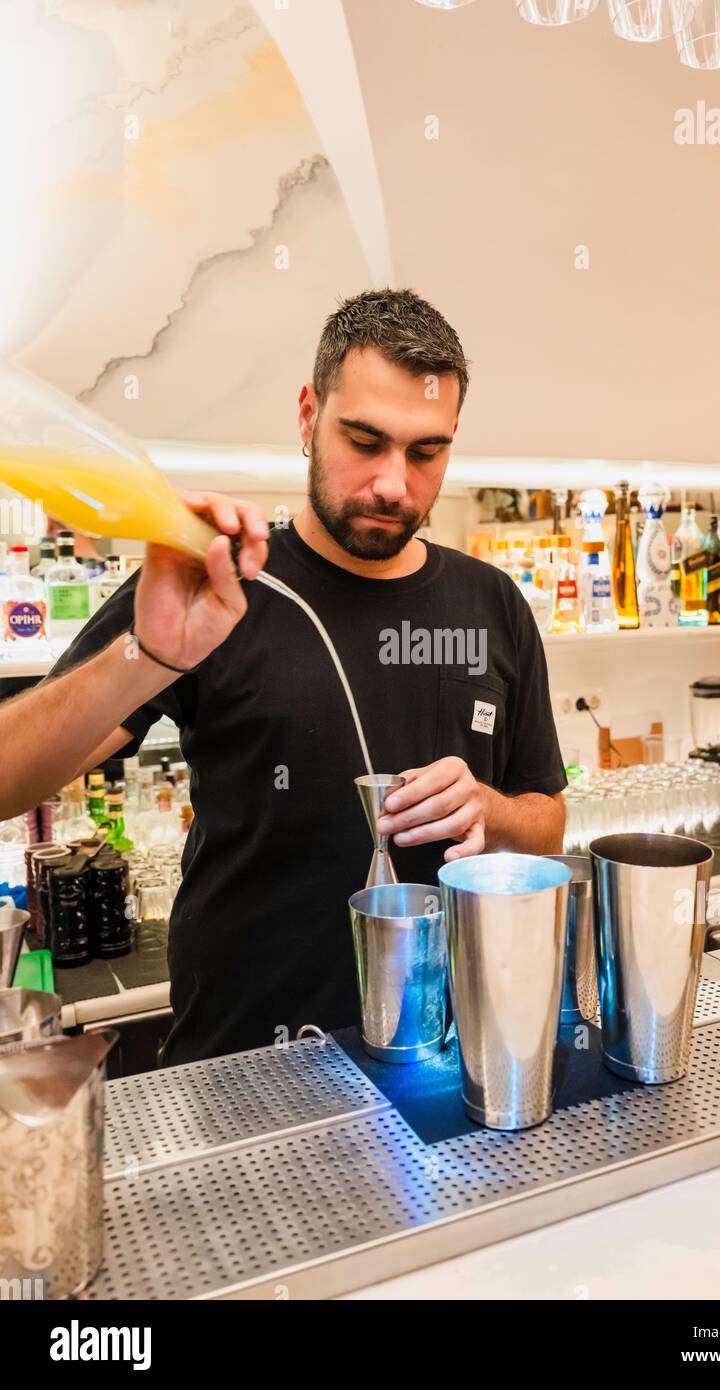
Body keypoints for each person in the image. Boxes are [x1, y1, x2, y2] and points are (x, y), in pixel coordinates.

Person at [0, 289, 566, 1065]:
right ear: (307, 417)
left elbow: (547, 818)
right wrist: (151, 655)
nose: (395, 484)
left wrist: (490, 812)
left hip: (445, 1061)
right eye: (364, 441)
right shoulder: (218, 582)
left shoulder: (491, 602)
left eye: (426, 452)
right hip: (242, 1069)